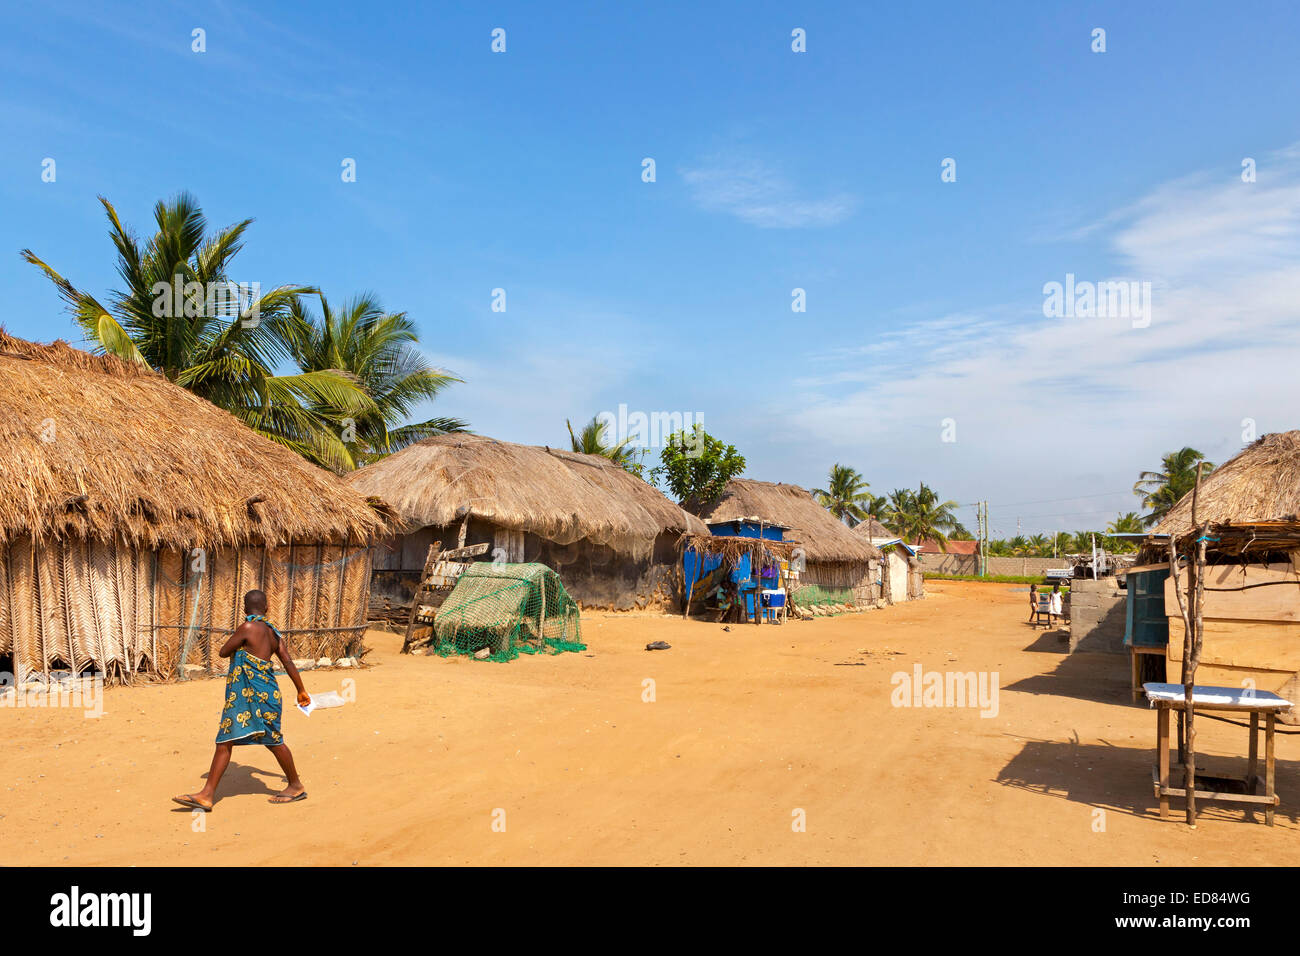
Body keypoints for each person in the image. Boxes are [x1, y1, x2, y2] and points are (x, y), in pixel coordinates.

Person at [172, 590, 311, 811]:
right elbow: (288, 662)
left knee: (238, 740)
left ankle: (294, 786)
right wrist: (301, 690)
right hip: (269, 695)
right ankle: (208, 794)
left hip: (250, 696)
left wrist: (240, 644)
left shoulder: (246, 628)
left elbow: (223, 651)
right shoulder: (274, 634)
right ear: (267, 608)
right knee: (269, 740)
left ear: (244, 609)